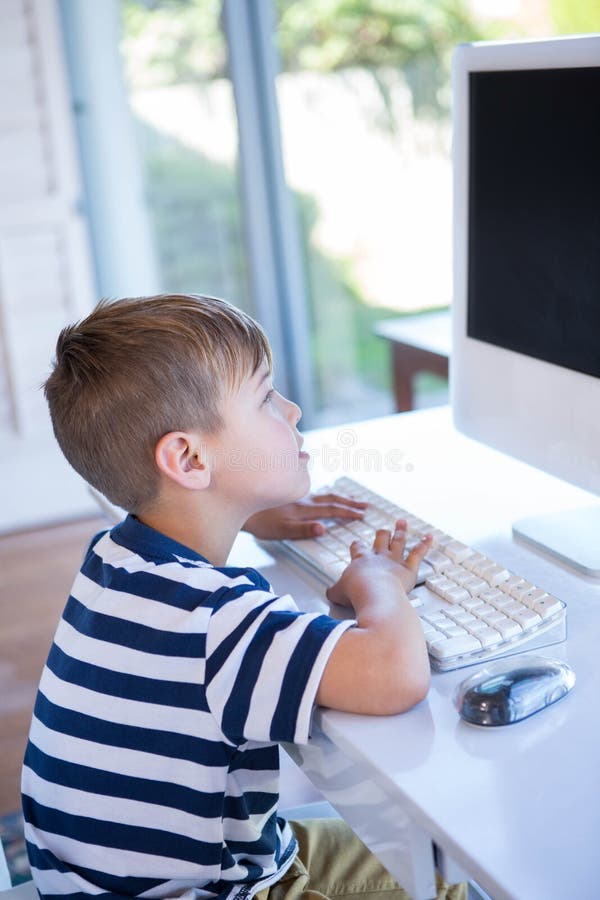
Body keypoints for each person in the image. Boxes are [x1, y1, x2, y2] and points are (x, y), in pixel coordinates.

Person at [21, 294, 465, 900]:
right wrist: (381, 583)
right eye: (265, 397)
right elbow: (394, 674)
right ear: (189, 458)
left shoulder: (110, 558)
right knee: (441, 876)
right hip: (213, 892)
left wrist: (246, 513)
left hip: (110, 882)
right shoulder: (218, 622)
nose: (293, 408)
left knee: (423, 863)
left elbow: (172, 525)